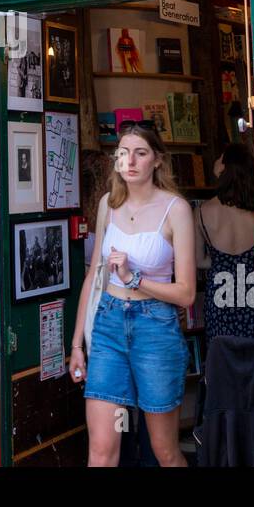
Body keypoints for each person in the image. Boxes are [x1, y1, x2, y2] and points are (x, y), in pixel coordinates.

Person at [68, 123, 195, 467]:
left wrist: (134, 278)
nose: (130, 161)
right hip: (108, 325)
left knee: (164, 450)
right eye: (123, 153)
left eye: (140, 153)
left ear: (157, 160)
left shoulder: (176, 209)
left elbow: (186, 294)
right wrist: (77, 344)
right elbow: (94, 276)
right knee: (101, 448)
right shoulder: (108, 204)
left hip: (155, 327)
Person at [194, 143, 254, 341]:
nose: (215, 161)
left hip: (220, 295)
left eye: (219, 158)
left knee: (223, 361)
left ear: (223, 168)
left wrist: (221, 262)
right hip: (253, 292)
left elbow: (199, 261)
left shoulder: (202, 211)